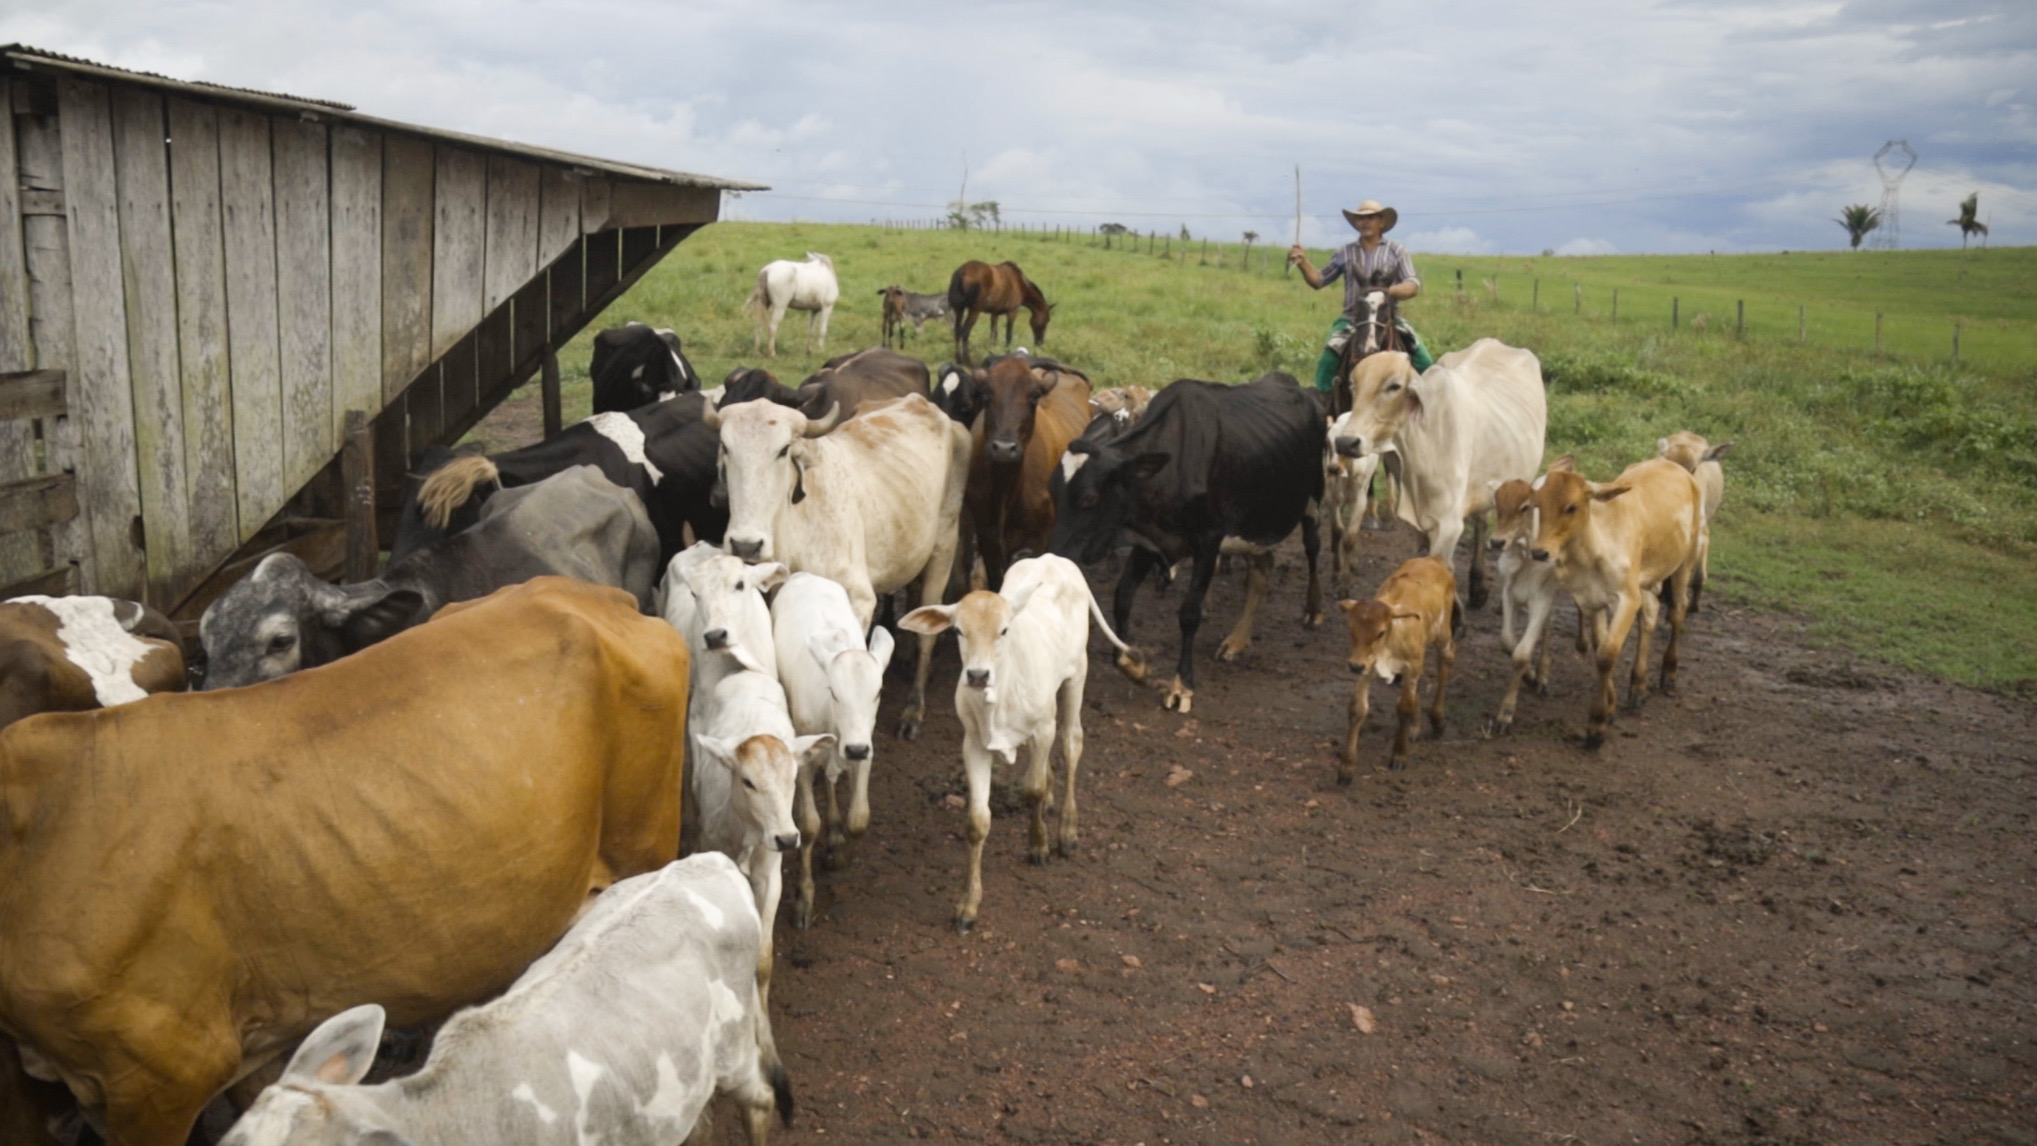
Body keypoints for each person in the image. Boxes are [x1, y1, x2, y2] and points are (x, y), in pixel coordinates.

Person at [1288, 199, 1435, 393]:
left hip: (1389, 318)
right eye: (1360, 219)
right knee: (1327, 360)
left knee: (1425, 361)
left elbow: (1412, 284)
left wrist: (1386, 293)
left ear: (1381, 222)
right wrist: (1303, 262)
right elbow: (1319, 280)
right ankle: (1323, 408)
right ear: (1356, 223)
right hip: (1352, 319)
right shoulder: (1345, 252)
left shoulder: (1397, 251)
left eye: (1370, 218)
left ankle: (1428, 406)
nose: (1365, 222)